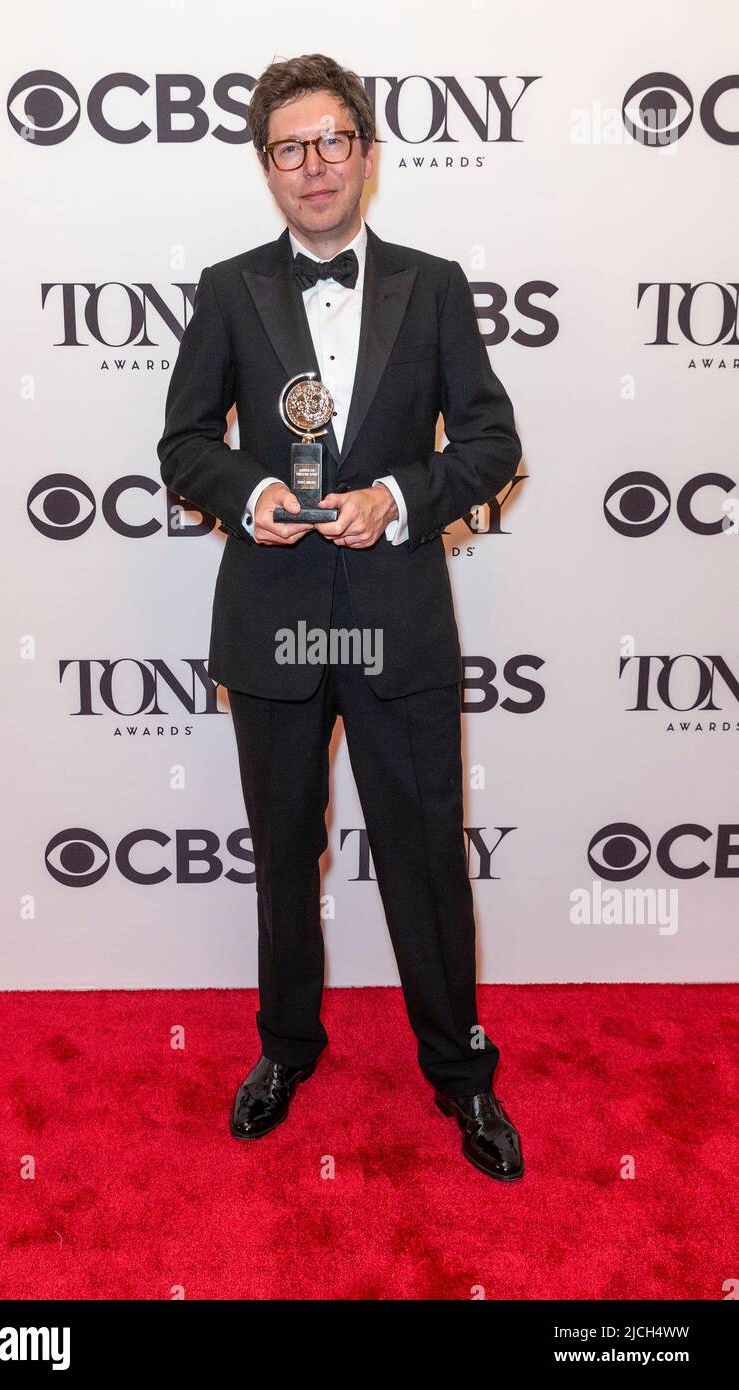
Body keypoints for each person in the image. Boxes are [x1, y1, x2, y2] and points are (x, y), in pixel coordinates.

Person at [157, 53, 524, 1181]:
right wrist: (252, 494)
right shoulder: (226, 287)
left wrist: (401, 499)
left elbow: (491, 441)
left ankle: (461, 1074)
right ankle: (285, 1047)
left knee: (421, 854)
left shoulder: (436, 280)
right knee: (282, 850)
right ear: (266, 167)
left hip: (395, 613)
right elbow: (182, 445)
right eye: (287, 148)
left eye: (330, 142)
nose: (312, 167)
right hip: (271, 617)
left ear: (365, 152)